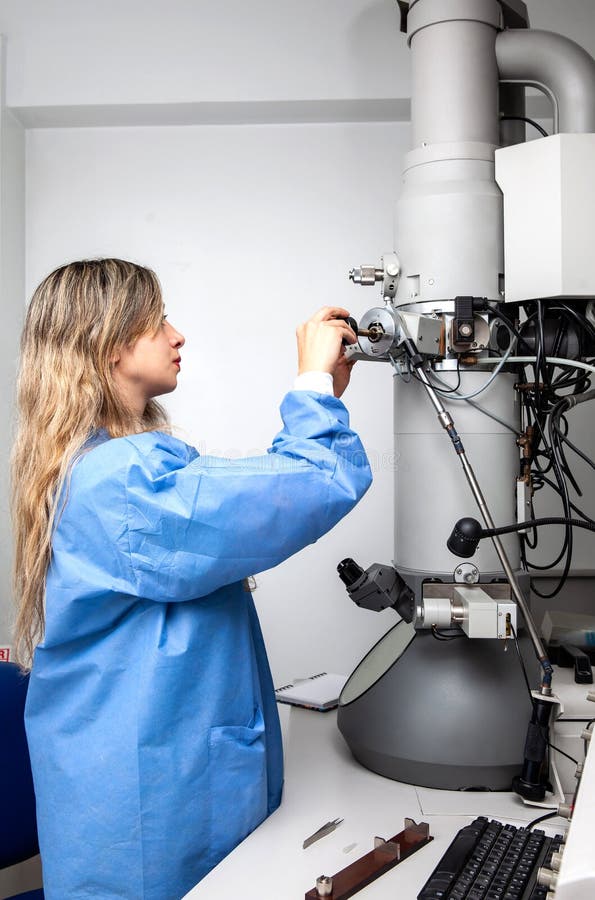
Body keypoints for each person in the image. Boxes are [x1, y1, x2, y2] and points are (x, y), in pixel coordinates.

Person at [11, 258, 372, 900]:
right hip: (146, 812)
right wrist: (312, 382)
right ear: (109, 341)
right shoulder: (119, 484)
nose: (177, 336)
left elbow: (250, 497)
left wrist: (326, 396)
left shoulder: (117, 471)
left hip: (145, 779)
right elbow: (307, 485)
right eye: (157, 322)